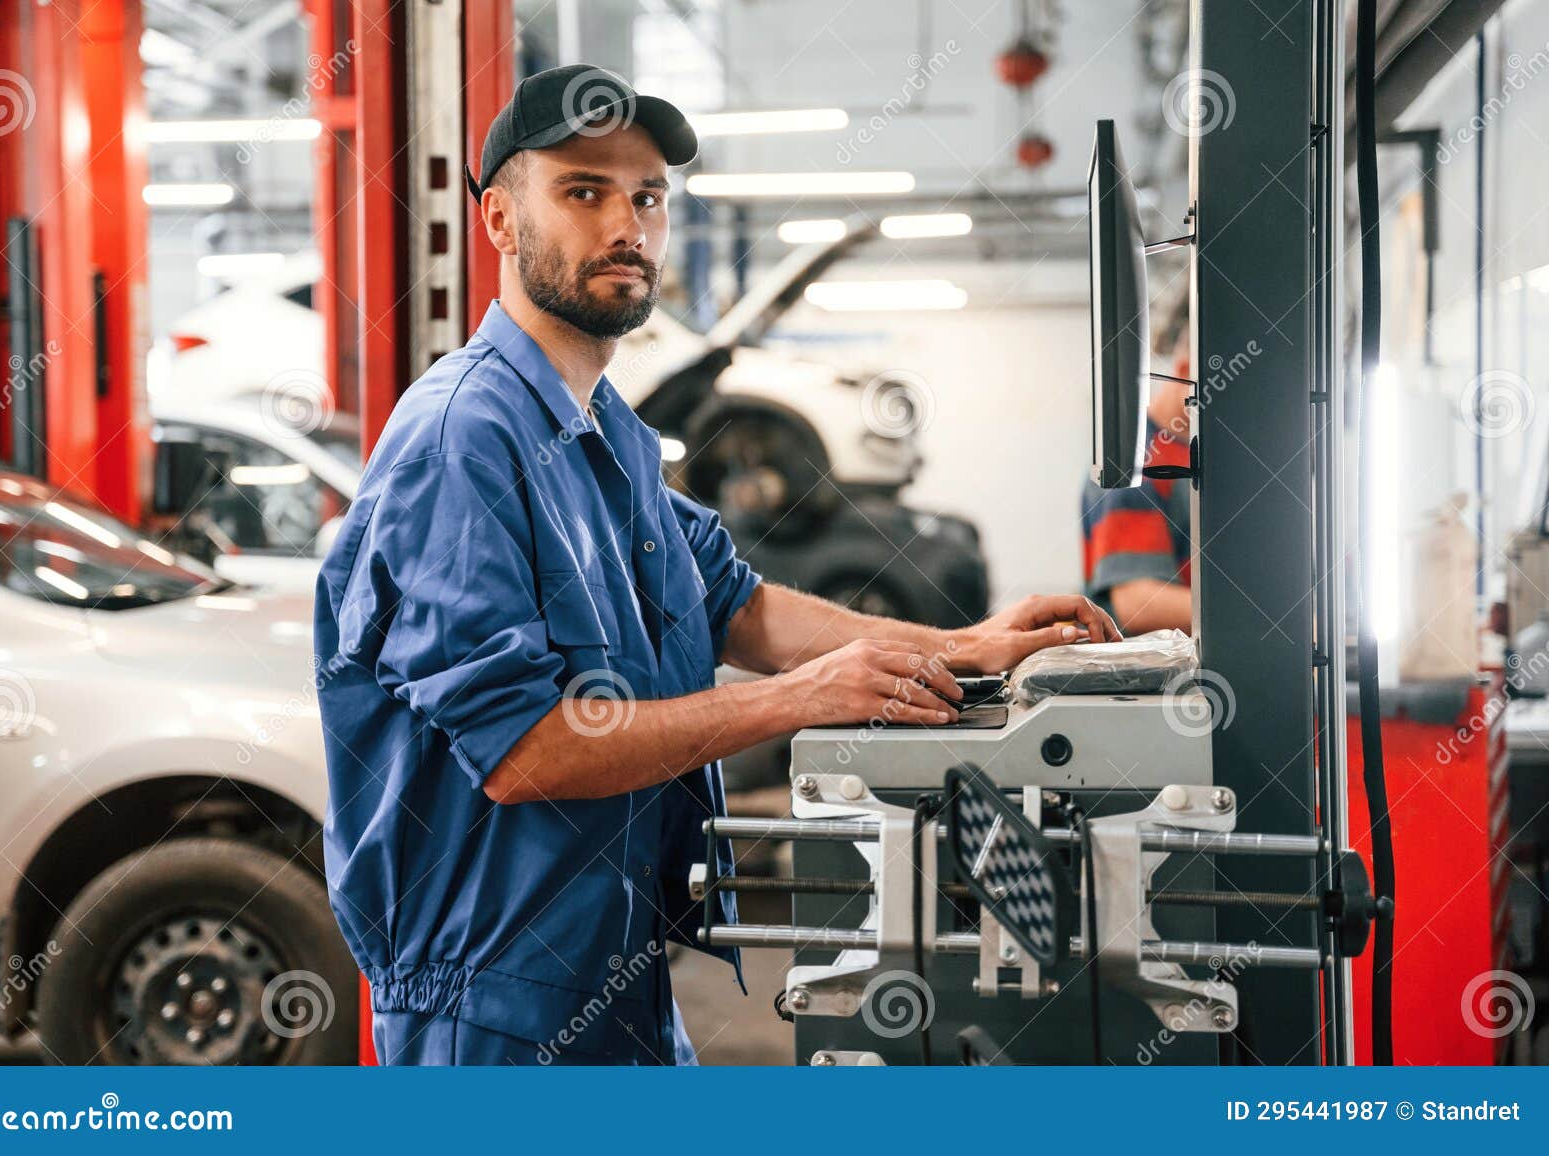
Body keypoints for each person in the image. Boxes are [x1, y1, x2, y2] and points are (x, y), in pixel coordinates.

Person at [313, 64, 1120, 1067]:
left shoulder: (607, 435)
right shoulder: (460, 440)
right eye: (582, 191)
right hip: (489, 1001)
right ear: (499, 222)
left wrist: (962, 645)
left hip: (622, 970)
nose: (627, 225)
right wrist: (796, 701)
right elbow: (525, 751)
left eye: (647, 196)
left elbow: (744, 608)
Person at [1080, 342, 1195, 635]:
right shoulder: (1133, 458)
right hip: (1152, 668)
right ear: (1185, 372)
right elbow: (1138, 602)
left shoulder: (1197, 454)